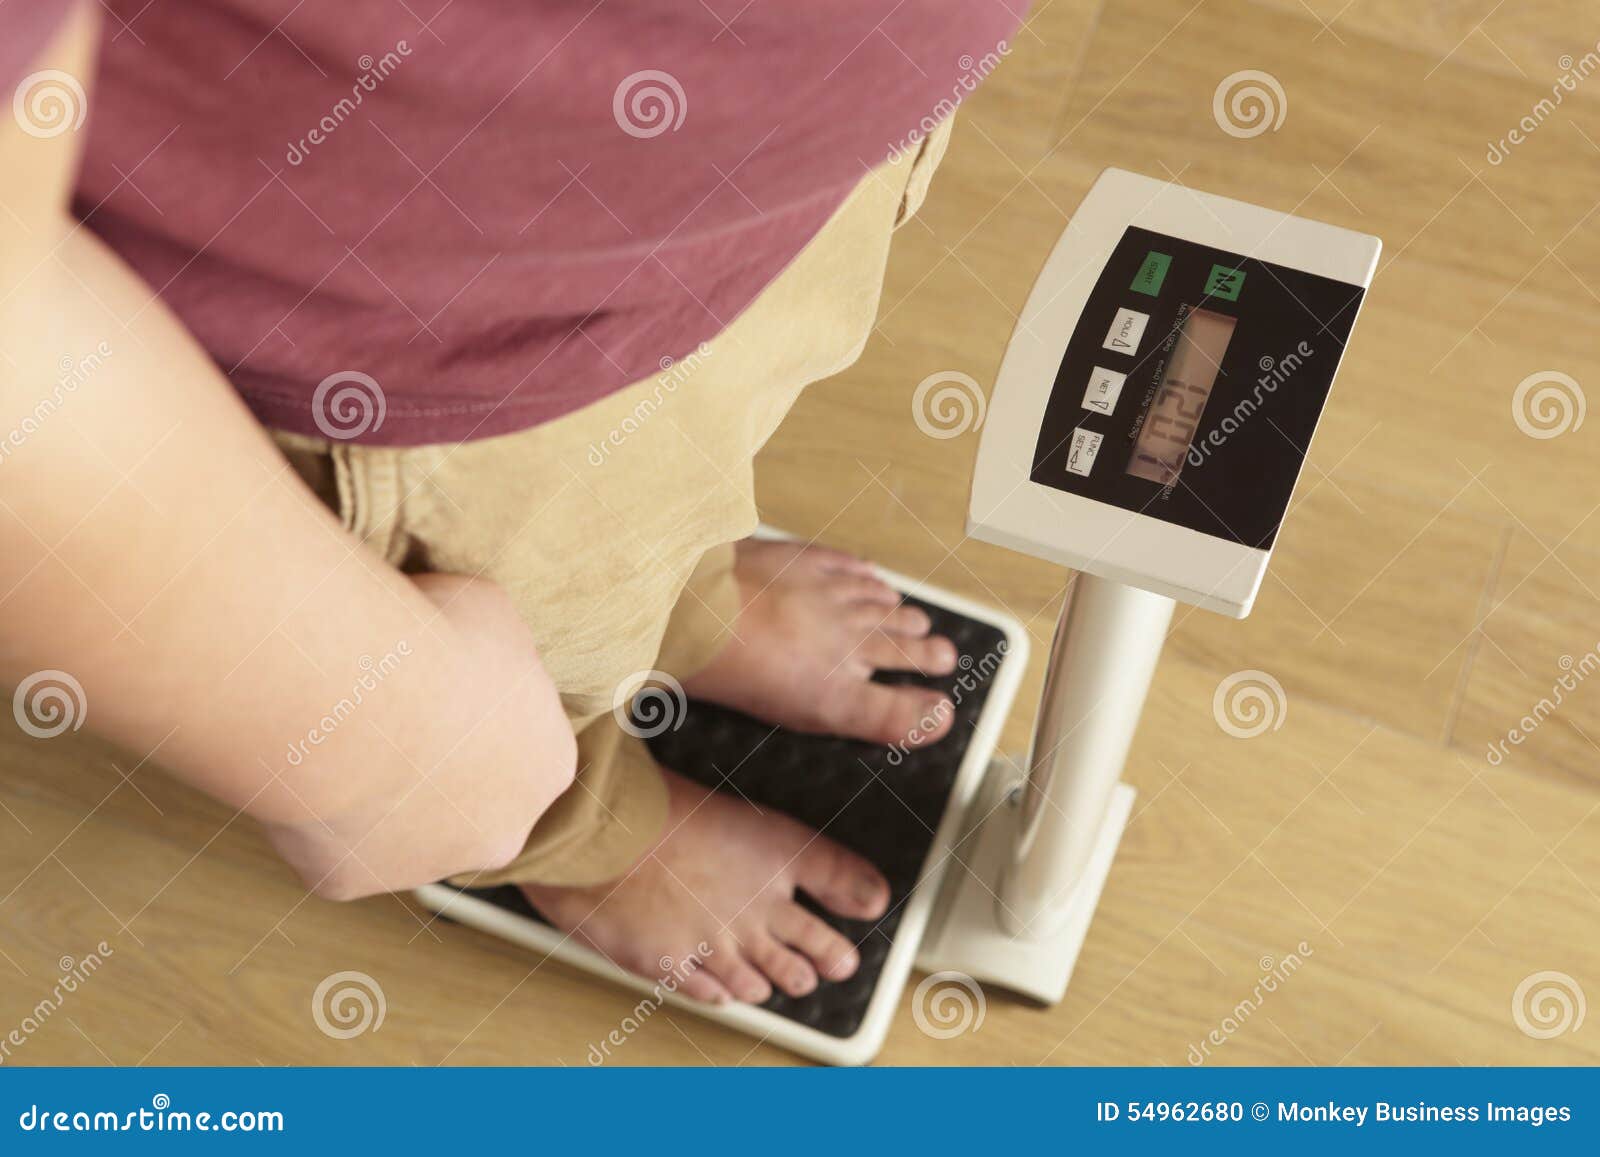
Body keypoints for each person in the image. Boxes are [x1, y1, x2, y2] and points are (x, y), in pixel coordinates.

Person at [0, 1, 1020, 1006]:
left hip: (790, 168)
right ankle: (592, 836)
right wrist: (369, 736)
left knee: (685, 474)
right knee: (545, 642)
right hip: (422, 346)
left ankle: (690, 606)